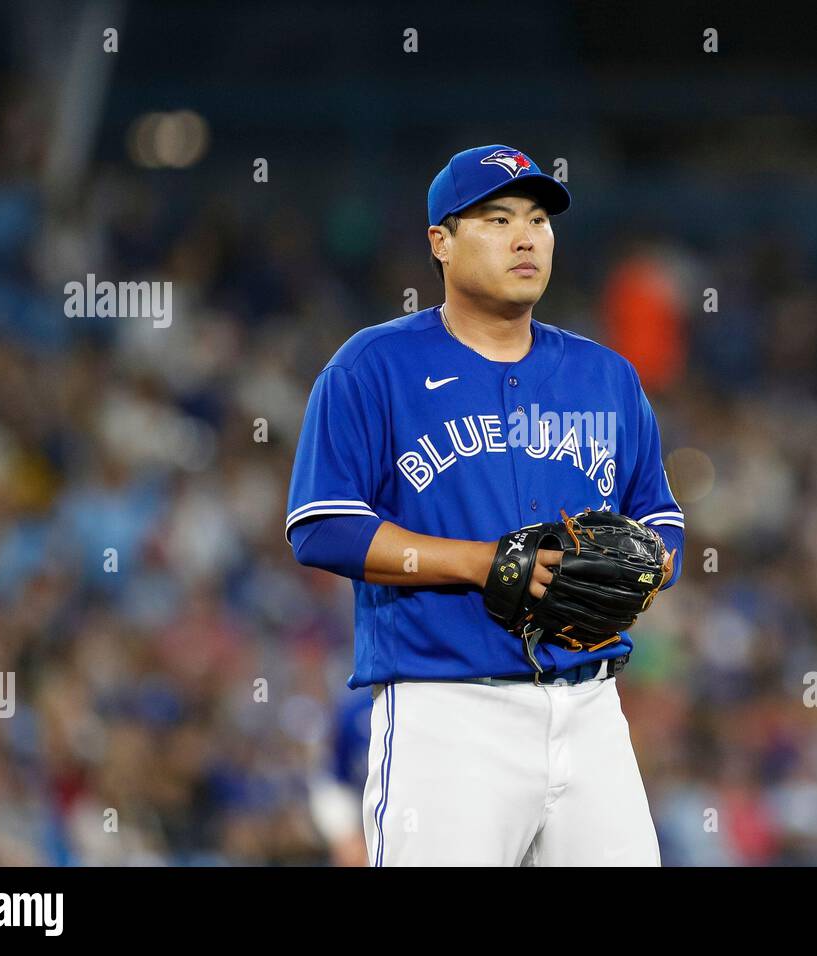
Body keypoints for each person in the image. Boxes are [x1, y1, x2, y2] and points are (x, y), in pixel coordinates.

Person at [285, 144, 684, 865]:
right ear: (440, 241)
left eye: (538, 219)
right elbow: (322, 526)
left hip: (591, 708)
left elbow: (658, 517)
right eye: (497, 219)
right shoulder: (373, 368)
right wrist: (481, 563)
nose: (527, 236)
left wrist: (647, 567)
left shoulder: (606, 376)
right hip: (448, 709)